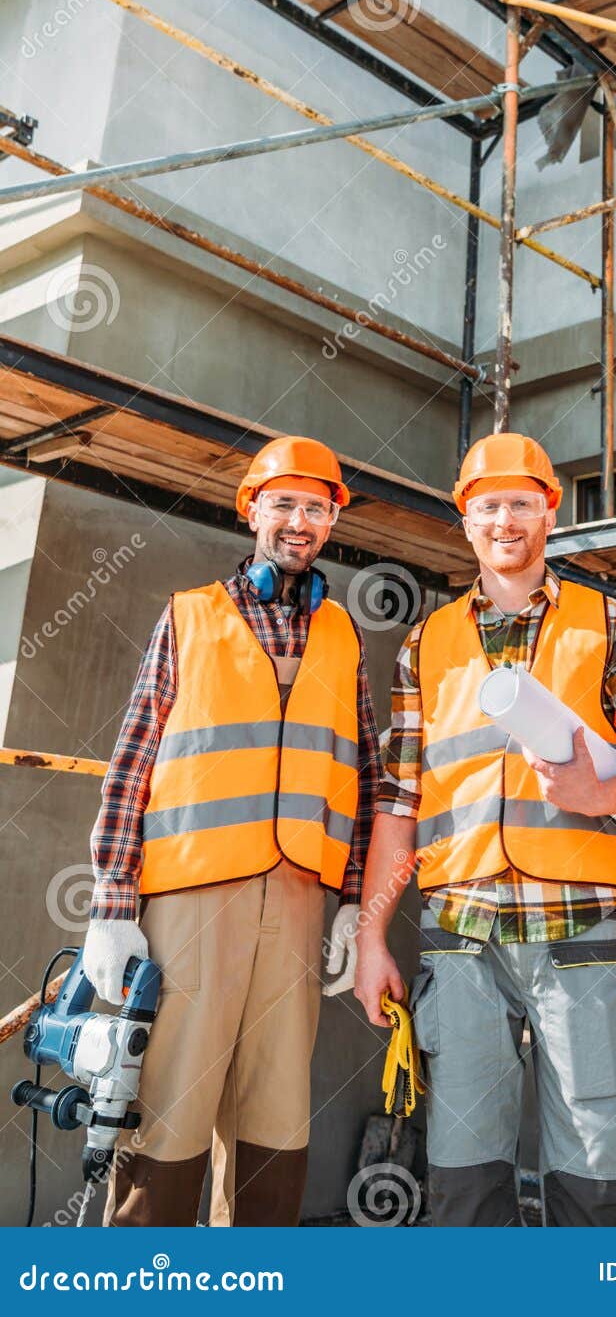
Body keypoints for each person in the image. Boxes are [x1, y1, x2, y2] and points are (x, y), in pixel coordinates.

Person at [354, 432, 616, 1226]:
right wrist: (371, 940)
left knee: (600, 1175)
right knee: (465, 1179)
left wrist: (602, 791)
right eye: (486, 506)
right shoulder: (425, 644)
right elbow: (397, 804)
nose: (504, 520)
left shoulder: (607, 622)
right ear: (465, 521)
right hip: (460, 938)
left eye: (520, 503)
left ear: (549, 512)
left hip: (580, 932)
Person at [82, 436, 379, 1226]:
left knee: (277, 1106)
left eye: (317, 508)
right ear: (252, 509)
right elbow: (136, 756)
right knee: (171, 1098)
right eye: (284, 503)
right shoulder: (190, 615)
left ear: (331, 522)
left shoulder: (344, 635)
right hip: (188, 899)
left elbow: (365, 775)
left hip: (297, 899)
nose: (300, 520)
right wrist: (113, 904)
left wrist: (354, 901)